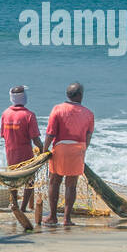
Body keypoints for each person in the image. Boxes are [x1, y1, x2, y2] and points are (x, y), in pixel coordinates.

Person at [42, 82, 95, 227]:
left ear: (67, 95)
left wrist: (45, 149)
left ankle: (52, 216)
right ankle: (67, 219)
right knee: (71, 185)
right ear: (80, 96)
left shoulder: (58, 109)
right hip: (78, 148)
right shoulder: (89, 113)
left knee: (54, 181)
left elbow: (50, 133)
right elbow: (88, 136)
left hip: (60, 148)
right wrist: (83, 150)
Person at [0, 85, 42, 213]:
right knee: (29, 181)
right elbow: (35, 139)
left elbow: (3, 135)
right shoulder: (29, 115)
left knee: (12, 180)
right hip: (26, 154)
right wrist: (43, 149)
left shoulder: (5, 114)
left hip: (10, 153)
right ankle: (23, 207)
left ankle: (14, 204)